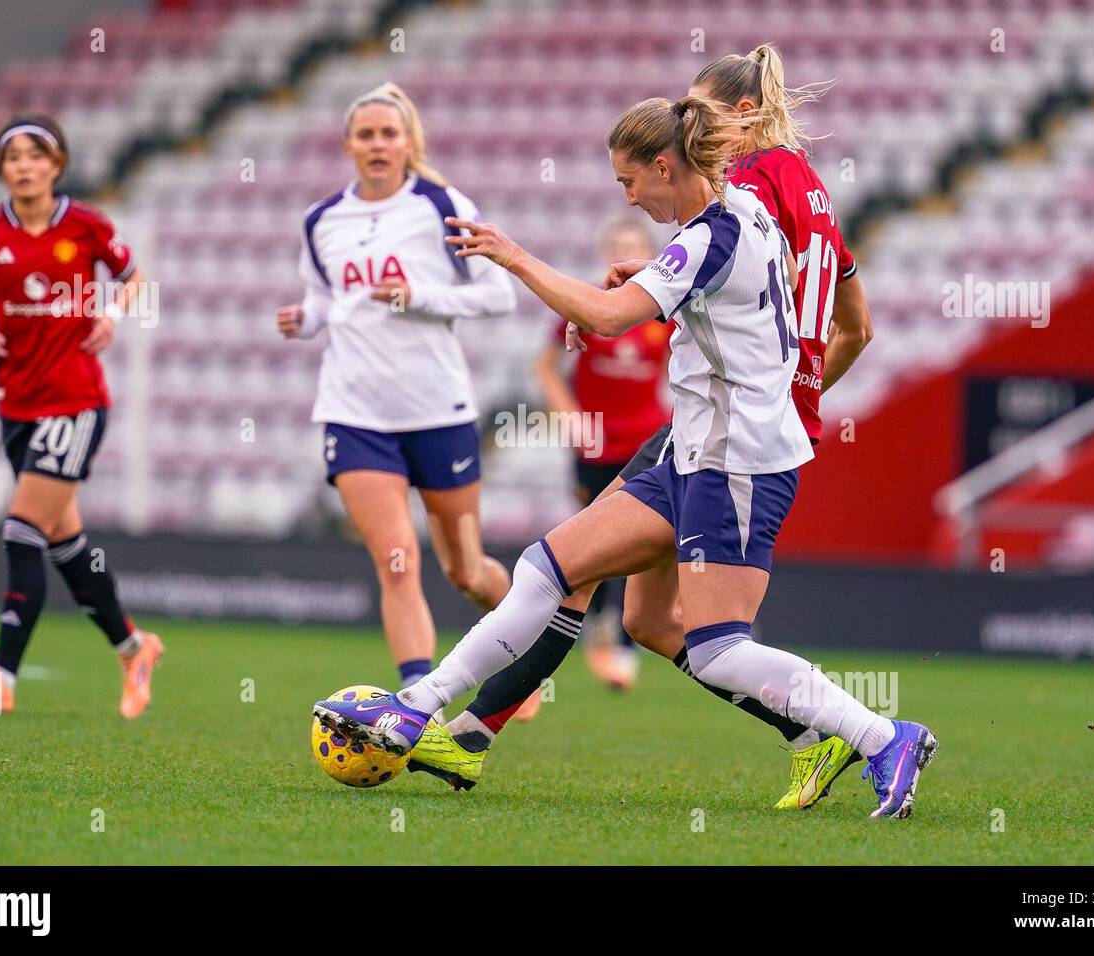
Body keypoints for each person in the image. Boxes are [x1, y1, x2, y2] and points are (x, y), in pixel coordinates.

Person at [315, 95, 936, 820]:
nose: (628, 195)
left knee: (715, 648)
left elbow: (612, 317)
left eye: (628, 181)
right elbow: (712, 281)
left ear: (664, 165)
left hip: (735, 463)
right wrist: (650, 279)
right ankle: (419, 709)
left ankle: (884, 735)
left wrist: (513, 254)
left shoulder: (712, 235)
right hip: (690, 451)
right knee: (551, 570)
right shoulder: (741, 212)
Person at [276, 83, 516, 690]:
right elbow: (328, 300)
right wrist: (304, 320)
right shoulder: (321, 219)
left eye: (389, 133)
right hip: (354, 414)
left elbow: (499, 293)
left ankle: (525, 659)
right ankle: (416, 703)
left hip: (438, 412)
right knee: (396, 559)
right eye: (366, 135)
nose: (378, 144)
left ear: (409, 143)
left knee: (465, 569)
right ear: (347, 145)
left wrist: (419, 298)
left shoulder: (440, 204)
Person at [0, 113, 163, 717]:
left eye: (35, 155)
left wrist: (113, 315)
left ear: (56, 164)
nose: (24, 166)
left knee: (21, 531)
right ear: (2, 170)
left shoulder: (86, 223)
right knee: (68, 547)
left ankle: (0, 678)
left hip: (76, 403)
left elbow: (134, 277)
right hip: (16, 404)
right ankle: (134, 647)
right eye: (12, 157)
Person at [526, 217, 671, 707]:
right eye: (618, 247)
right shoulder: (588, 306)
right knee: (596, 537)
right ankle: (593, 628)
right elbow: (545, 365)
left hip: (646, 441)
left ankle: (624, 644)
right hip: (594, 445)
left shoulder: (665, 312)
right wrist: (568, 416)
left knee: (638, 540)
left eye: (635, 246)